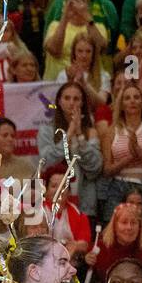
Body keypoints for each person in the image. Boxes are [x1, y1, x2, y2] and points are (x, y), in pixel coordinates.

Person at [98, 81, 142, 237]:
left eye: (137, 97)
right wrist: (130, 157)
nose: (133, 101)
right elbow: (107, 170)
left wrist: (139, 153)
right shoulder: (111, 132)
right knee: (115, 234)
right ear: (121, 104)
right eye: (127, 98)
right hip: (118, 188)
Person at [38, 82, 103, 221]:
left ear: (82, 103)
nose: (71, 103)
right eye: (67, 98)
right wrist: (68, 134)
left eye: (76, 99)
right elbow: (46, 162)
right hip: (53, 204)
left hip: (84, 204)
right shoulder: (46, 130)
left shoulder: (90, 132)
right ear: (59, 102)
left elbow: (95, 167)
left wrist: (79, 135)